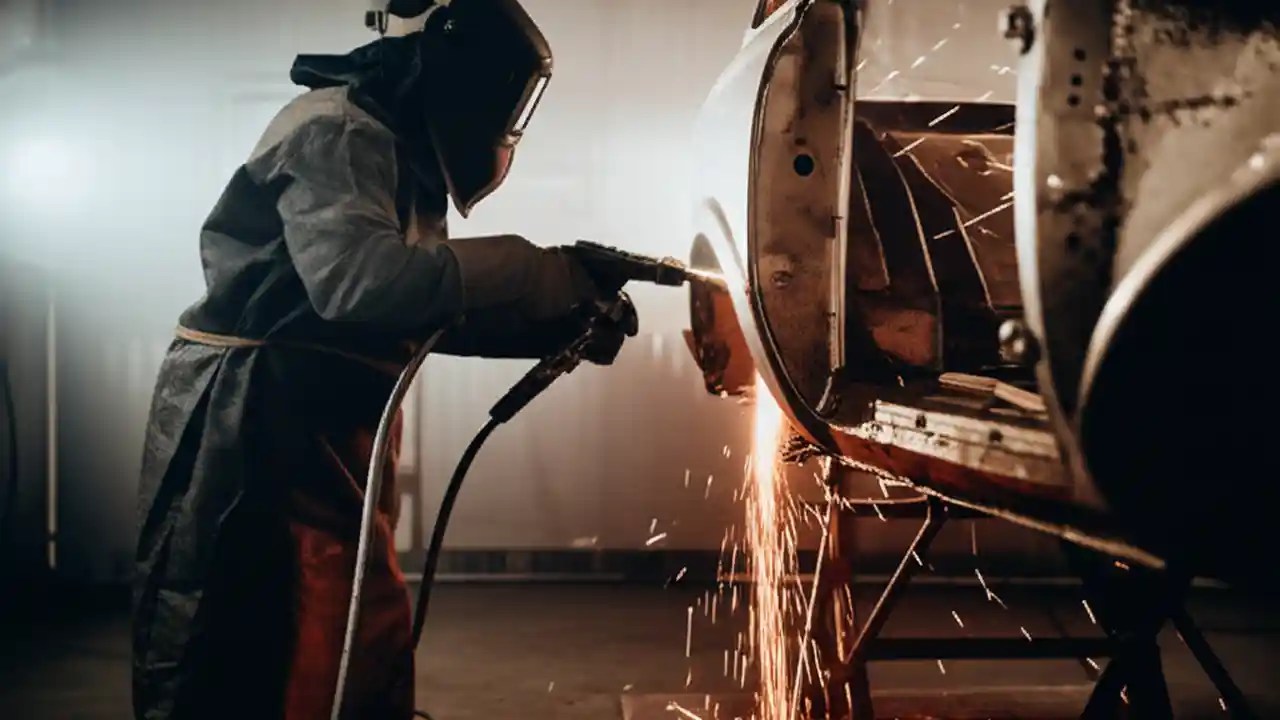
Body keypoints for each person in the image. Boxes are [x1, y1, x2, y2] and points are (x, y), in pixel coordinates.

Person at [131, 3, 636, 718]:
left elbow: (418, 302)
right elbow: (358, 285)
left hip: (320, 426)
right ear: (453, 70)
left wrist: (557, 320)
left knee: (351, 630)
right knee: (248, 639)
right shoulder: (334, 130)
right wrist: (526, 271)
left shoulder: (397, 143)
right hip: (247, 430)